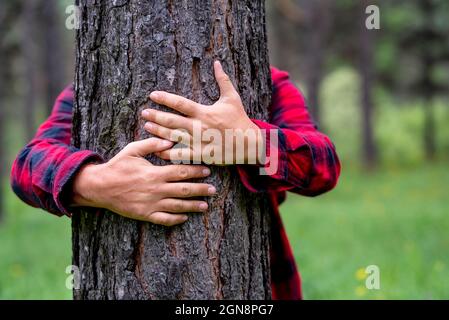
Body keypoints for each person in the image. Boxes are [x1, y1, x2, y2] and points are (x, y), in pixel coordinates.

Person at [10, 61, 341, 299]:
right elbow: (26, 167)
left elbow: (323, 167)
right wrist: (96, 183)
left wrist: (253, 144)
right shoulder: (94, 85)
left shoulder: (263, 81)